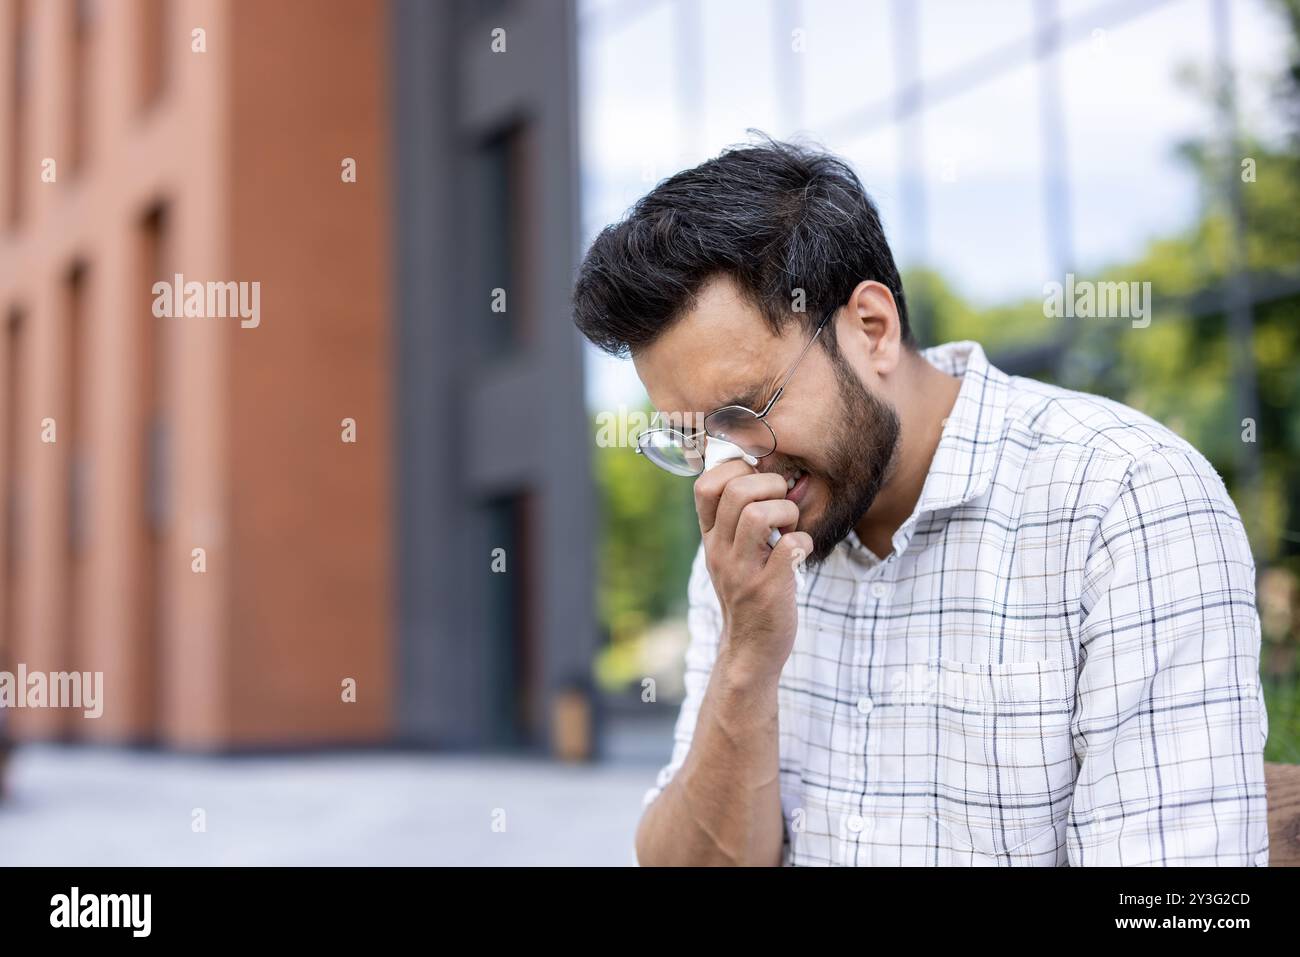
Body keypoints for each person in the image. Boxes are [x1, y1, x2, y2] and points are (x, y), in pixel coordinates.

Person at [571, 135, 1269, 866]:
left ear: (871, 329)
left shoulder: (1123, 500)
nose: (729, 466)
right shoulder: (746, 549)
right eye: (694, 436)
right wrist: (747, 656)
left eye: (746, 408)